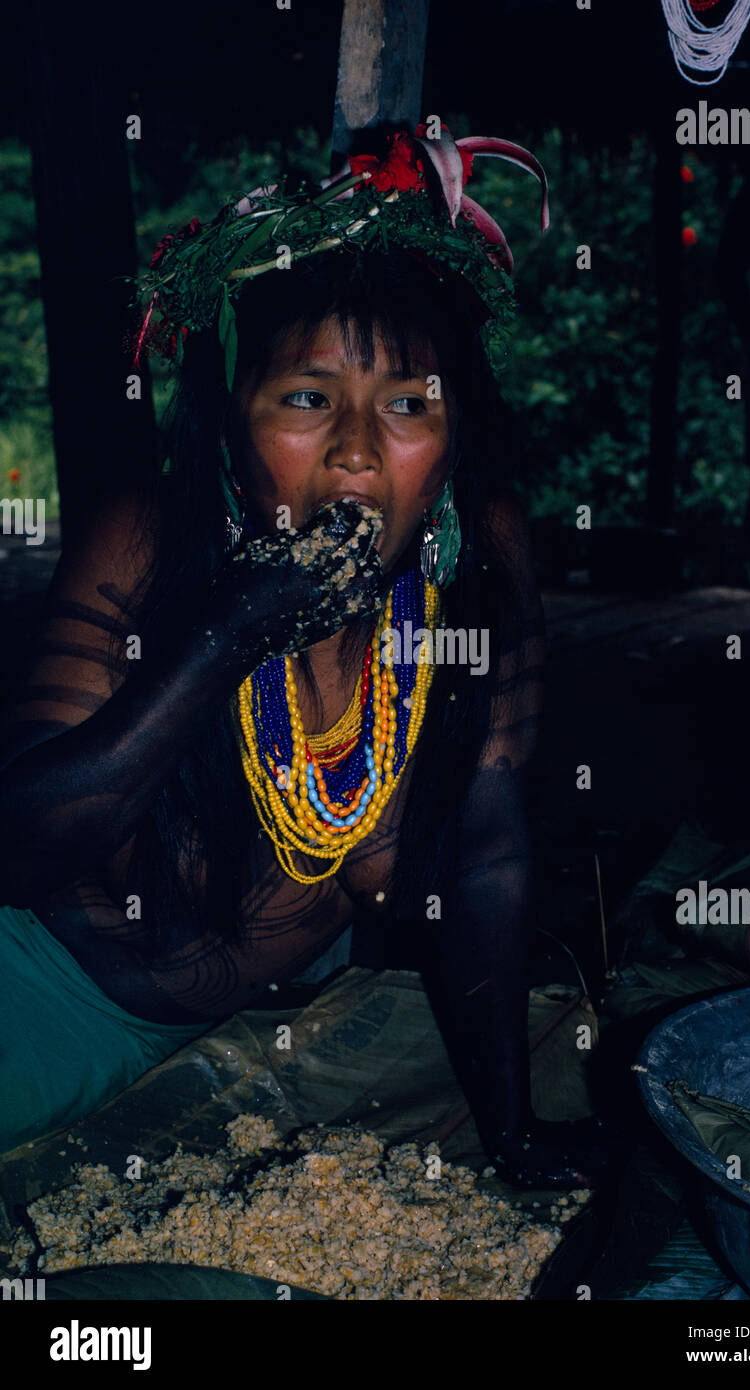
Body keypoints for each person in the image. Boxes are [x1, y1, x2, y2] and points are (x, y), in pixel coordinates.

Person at [0, 127, 609, 1185]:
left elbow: (489, 851)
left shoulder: (483, 559)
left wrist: (508, 1135)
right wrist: (225, 638)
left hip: (240, 1042)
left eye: (407, 403)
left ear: (454, 434)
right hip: (51, 1001)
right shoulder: (146, 540)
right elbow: (21, 849)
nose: (359, 450)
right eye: (307, 397)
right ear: (233, 427)